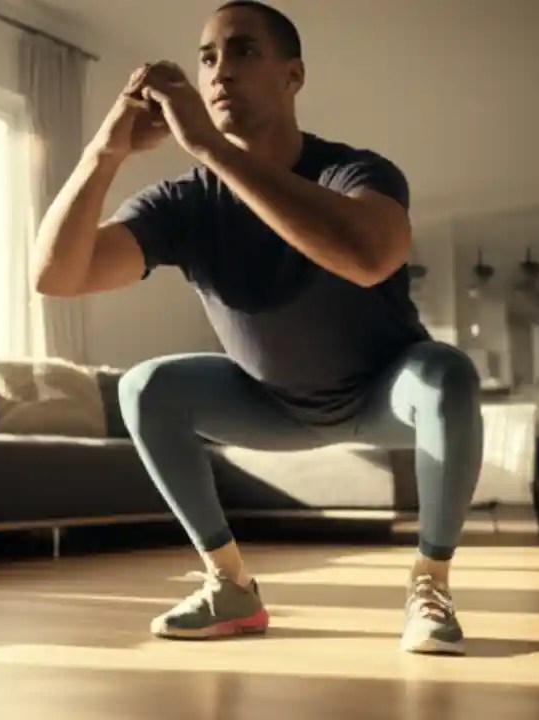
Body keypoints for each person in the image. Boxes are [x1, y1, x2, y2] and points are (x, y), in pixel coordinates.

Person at [32, 0, 482, 656]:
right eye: (207, 58)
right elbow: (58, 276)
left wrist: (210, 147)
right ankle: (231, 586)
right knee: (145, 387)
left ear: (292, 76)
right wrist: (104, 152)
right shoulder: (183, 204)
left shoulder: (354, 172)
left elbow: (369, 256)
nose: (218, 73)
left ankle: (430, 584)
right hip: (271, 404)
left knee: (447, 375)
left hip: (383, 396)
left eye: (242, 51)